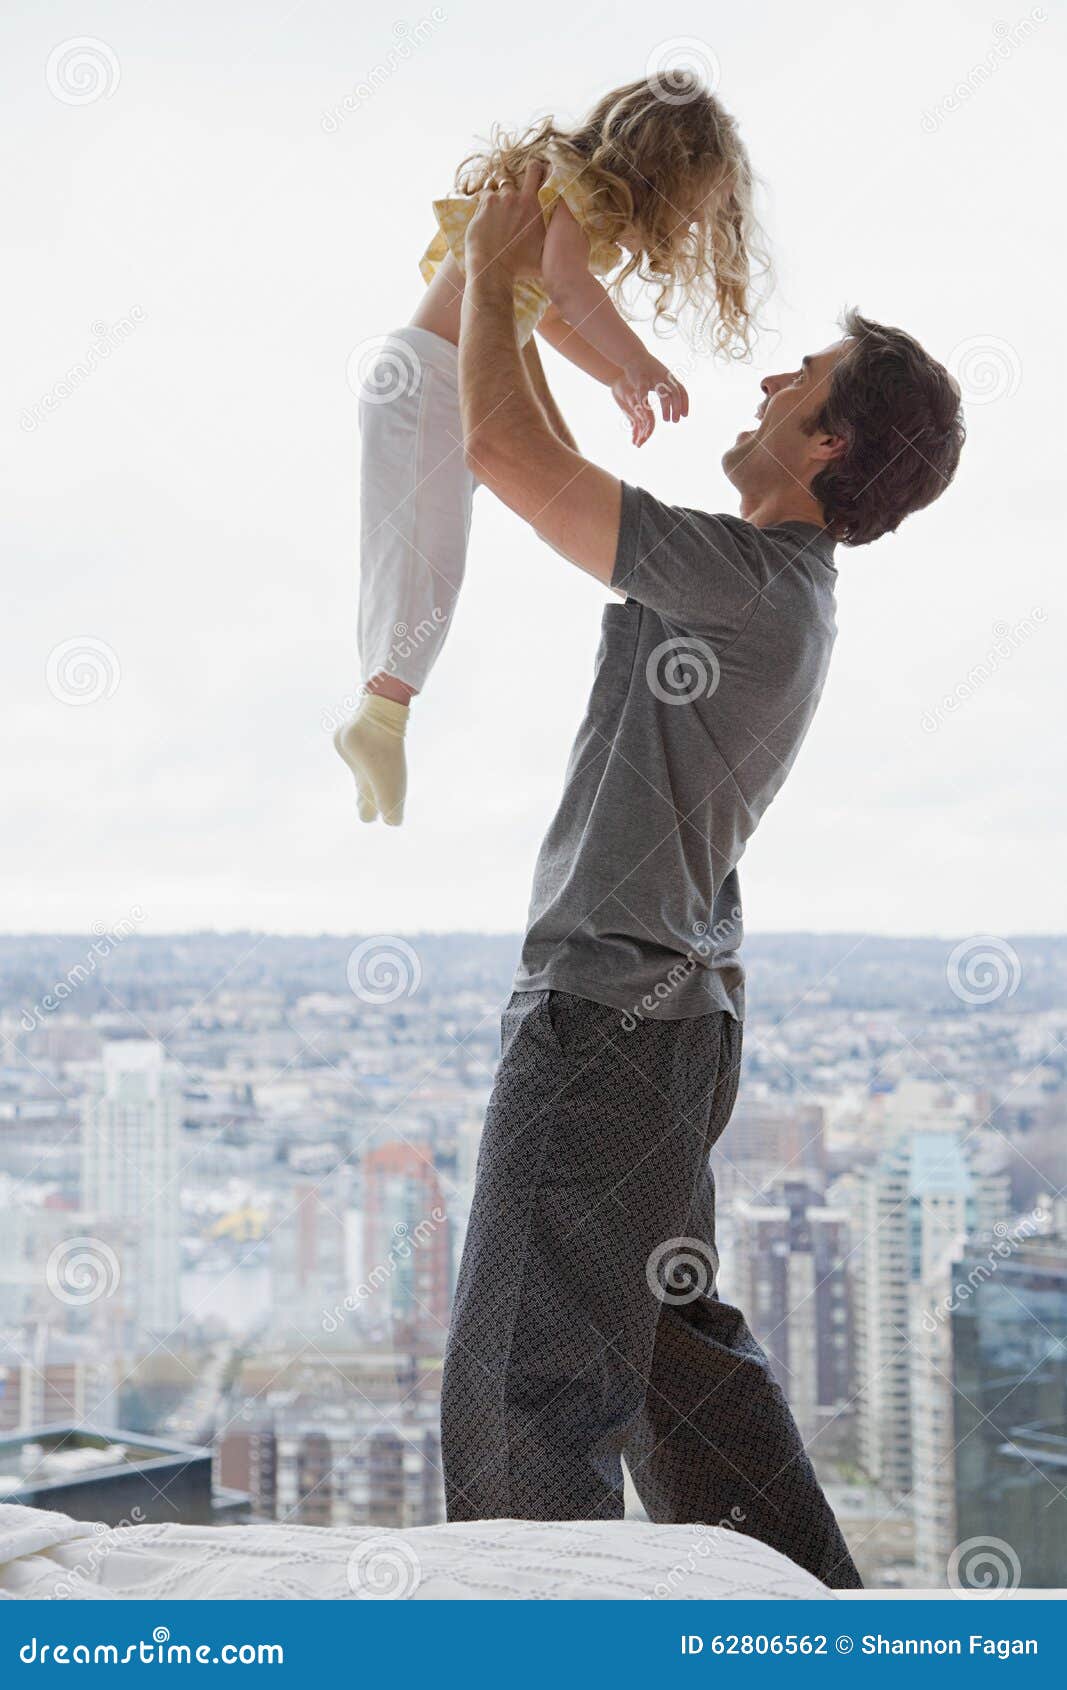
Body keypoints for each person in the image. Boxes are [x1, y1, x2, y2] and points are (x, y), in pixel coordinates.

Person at [439, 164, 965, 1589]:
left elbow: (499, 451)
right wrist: (541, 305)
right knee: (674, 1362)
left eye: (798, 378)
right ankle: (819, 1633)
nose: (768, 380)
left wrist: (494, 270)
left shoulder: (739, 581)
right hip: (666, 1026)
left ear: (824, 440)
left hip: (606, 1022)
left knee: (519, 1391)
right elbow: (539, 453)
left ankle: (525, 1657)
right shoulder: (769, 588)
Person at [334, 74, 765, 825]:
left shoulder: (567, 201)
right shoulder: (571, 187)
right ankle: (378, 720)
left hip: (443, 383)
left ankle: (381, 719)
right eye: (693, 205)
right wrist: (636, 363)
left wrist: (610, 377)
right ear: (667, 169)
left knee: (429, 553)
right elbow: (565, 290)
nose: (690, 226)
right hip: (428, 378)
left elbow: (547, 315)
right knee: (417, 556)